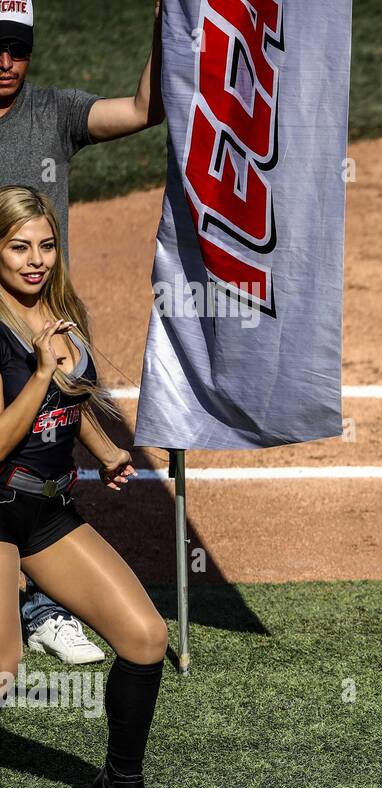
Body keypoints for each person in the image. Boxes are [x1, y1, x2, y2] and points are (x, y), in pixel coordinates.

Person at [0, 186, 176, 788]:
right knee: (3, 667)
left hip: (44, 512)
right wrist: (42, 371)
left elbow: (69, 407)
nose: (35, 259)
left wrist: (107, 451)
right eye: (18, 247)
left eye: (46, 245)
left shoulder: (60, 311)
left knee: (144, 637)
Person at [0, 0, 163, 663]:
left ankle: (37, 604)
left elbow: (144, 109)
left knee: (37, 456)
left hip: (40, 319)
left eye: (16, 48)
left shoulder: (53, 114)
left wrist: (164, 21)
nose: (4, 62)